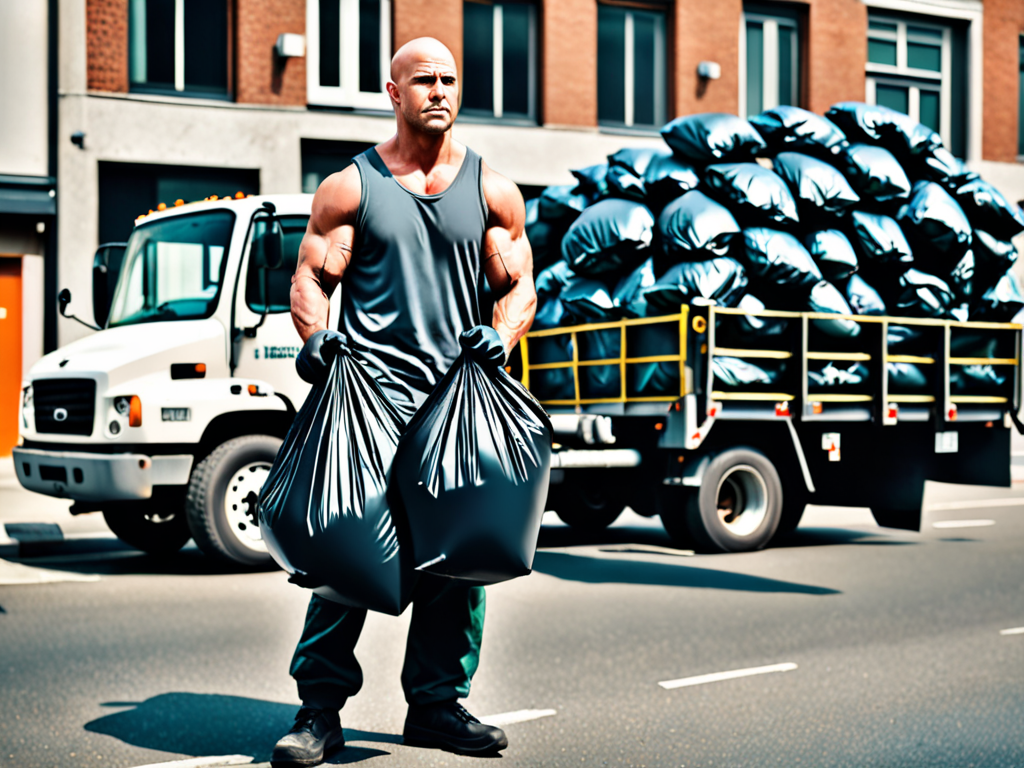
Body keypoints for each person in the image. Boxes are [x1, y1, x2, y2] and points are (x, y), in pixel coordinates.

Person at [272, 37, 536, 767]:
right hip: (371, 404)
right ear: (393, 92)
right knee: (346, 560)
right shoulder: (351, 187)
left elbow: (519, 284)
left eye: (450, 79)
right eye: (424, 80)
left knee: (459, 564)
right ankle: (318, 713)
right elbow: (312, 277)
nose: (440, 91)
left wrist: (504, 333)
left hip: (457, 406)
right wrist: (316, 338)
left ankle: (437, 706)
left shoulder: (492, 190)